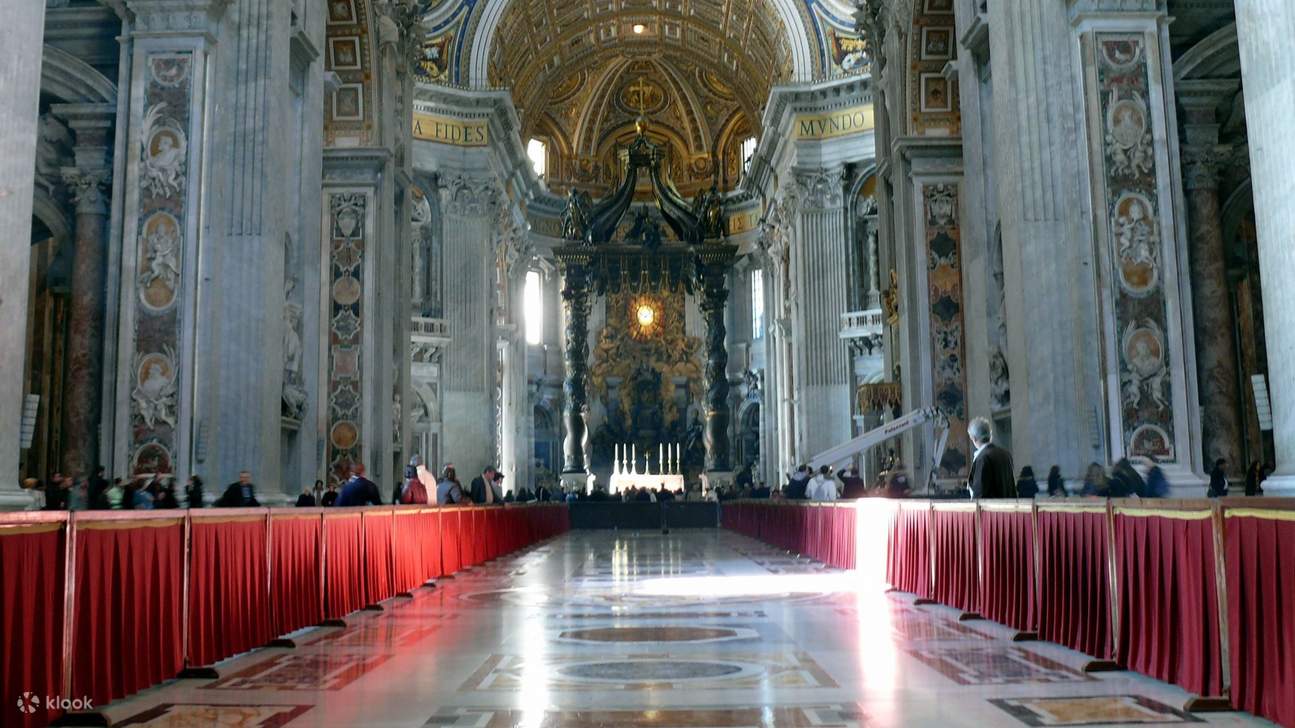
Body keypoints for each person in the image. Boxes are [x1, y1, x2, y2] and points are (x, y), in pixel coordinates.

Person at [967, 417, 1016, 498]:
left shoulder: (982, 458)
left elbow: (979, 495)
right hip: (1009, 508)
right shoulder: (1006, 454)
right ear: (990, 435)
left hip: (990, 509)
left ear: (974, 438)